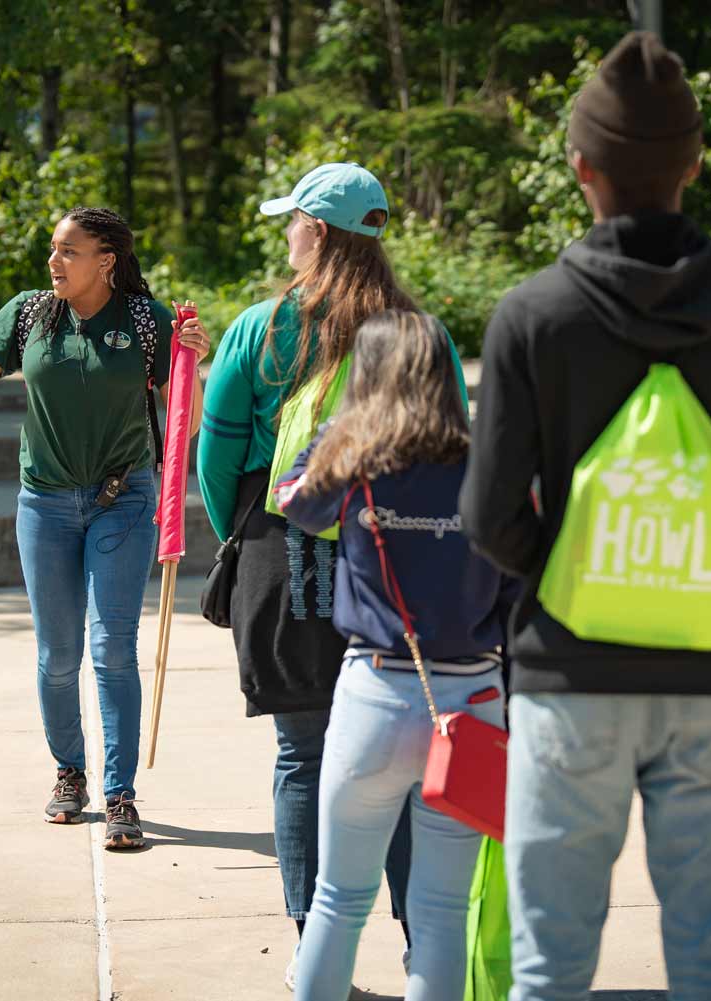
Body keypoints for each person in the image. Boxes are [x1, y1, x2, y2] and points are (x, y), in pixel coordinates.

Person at [460, 31, 711, 1001]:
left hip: (568, 675)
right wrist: (696, 564)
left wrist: (586, 563)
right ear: (694, 164)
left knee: (549, 969)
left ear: (580, 166)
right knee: (710, 966)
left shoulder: (533, 316)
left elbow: (491, 518)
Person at [198, 163, 467, 987]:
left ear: (317, 231)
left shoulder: (261, 328)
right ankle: (426, 948)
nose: (286, 234)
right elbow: (457, 447)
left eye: (294, 222)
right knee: (408, 765)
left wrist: (242, 544)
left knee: (304, 758)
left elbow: (216, 457)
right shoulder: (422, 331)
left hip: (288, 556)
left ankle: (315, 956)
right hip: (401, 566)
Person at [0, 207, 209, 847]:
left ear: (106, 259)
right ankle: (69, 770)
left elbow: (184, 425)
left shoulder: (147, 321)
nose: (54, 262)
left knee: (113, 649)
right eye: (53, 250)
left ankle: (119, 795)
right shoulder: (30, 313)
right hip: (46, 506)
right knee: (59, 656)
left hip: (125, 499)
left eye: (68, 251)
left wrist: (192, 364)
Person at [276, 310, 515, 1001]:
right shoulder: (490, 464)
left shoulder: (354, 463)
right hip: (471, 702)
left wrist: (332, 433)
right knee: (440, 910)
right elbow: (521, 583)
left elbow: (293, 502)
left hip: (375, 695)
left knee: (337, 898)